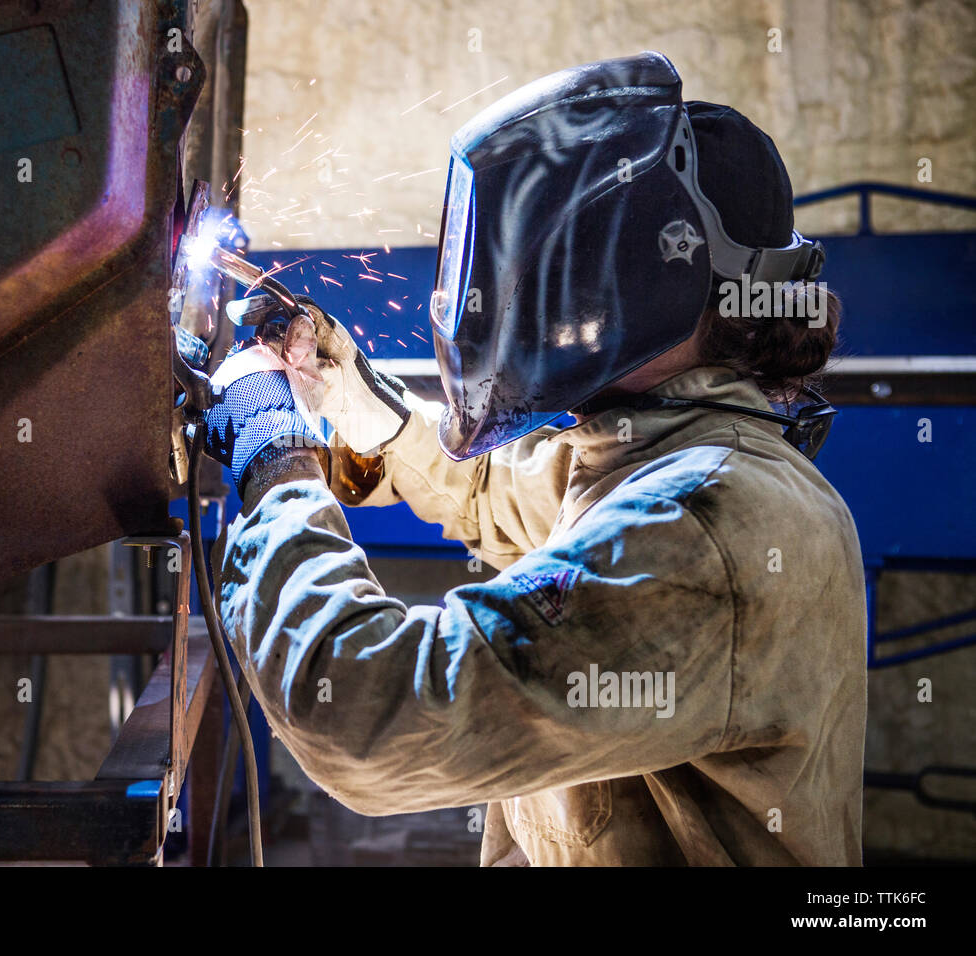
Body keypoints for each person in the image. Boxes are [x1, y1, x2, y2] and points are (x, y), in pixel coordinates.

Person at [199, 51, 866, 866]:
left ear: (653, 274)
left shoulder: (702, 522)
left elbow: (369, 715)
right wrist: (346, 395)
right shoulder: (649, 454)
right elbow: (489, 493)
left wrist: (275, 465)